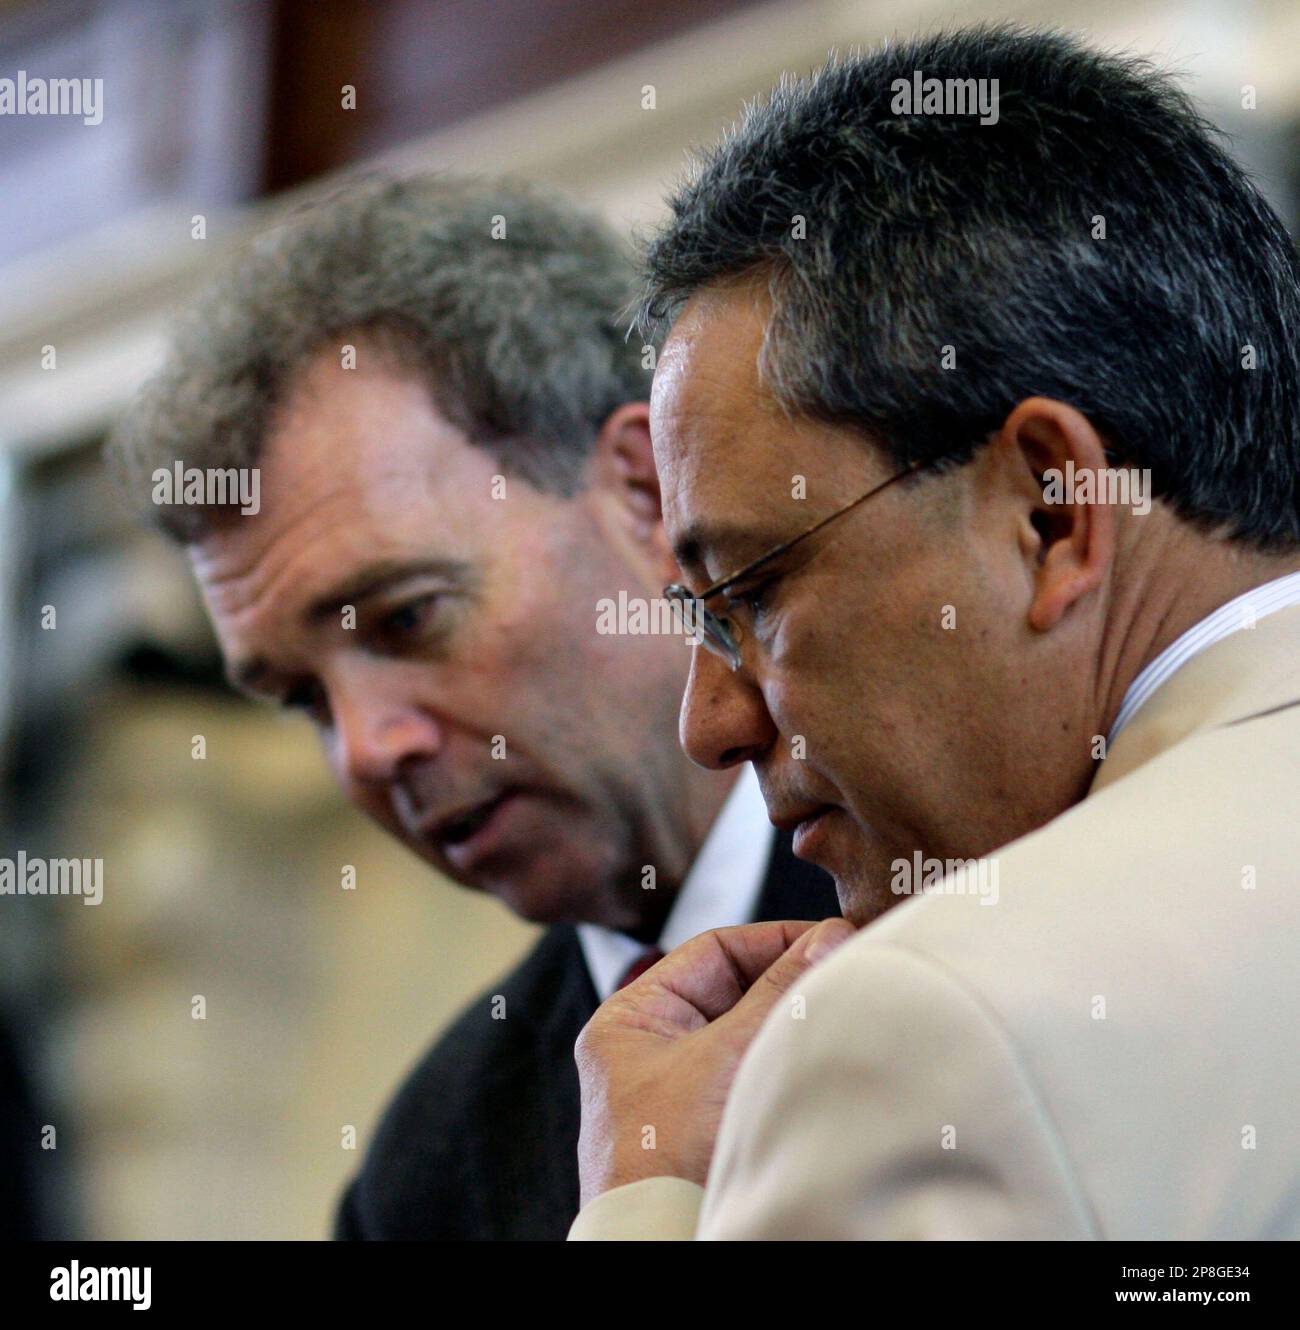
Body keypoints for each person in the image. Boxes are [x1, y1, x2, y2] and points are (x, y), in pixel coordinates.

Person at [570, 25, 1300, 1239]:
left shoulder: (940, 1031)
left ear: (1051, 512)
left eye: (750, 590)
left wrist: (649, 1191)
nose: (708, 722)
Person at [106, 176, 837, 1240]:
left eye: (406, 618)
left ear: (644, 493)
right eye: (302, 699)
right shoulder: (422, 1179)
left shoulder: (985, 887)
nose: (367, 748)